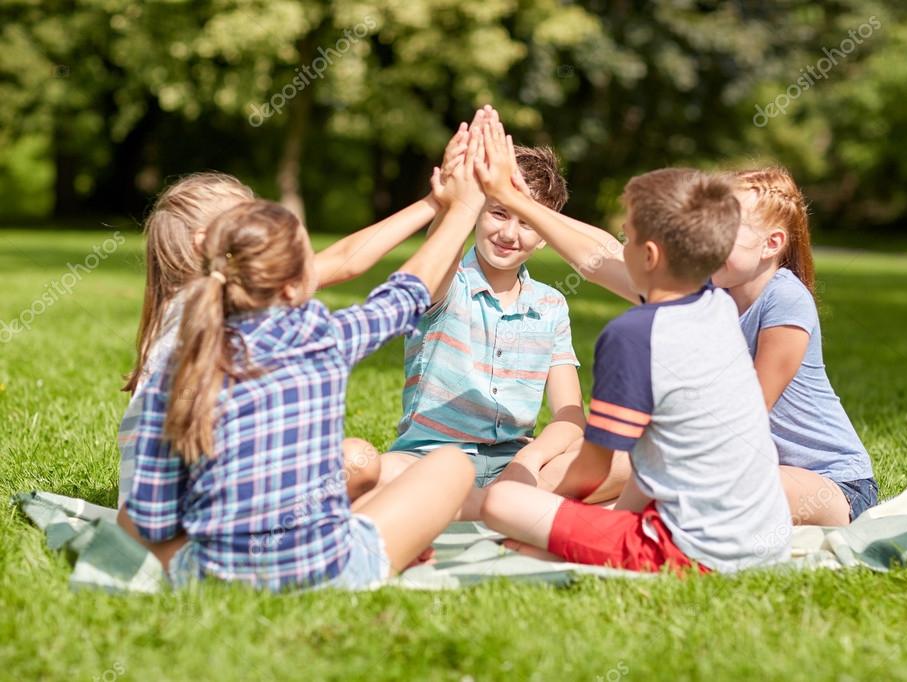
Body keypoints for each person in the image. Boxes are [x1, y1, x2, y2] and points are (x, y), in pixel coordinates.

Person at [117, 138, 487, 590]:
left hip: (207, 560)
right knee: (449, 465)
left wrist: (436, 202)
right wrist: (464, 207)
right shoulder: (319, 339)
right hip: (324, 567)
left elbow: (148, 517)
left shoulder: (189, 342)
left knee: (358, 459)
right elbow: (402, 295)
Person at [475, 124, 792, 573]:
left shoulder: (633, 336)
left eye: (625, 237)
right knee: (569, 514)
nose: (617, 246)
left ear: (648, 256)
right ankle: (578, 539)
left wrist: (535, 499)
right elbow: (593, 256)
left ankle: (576, 540)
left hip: (692, 554)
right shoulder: (714, 303)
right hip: (765, 540)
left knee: (505, 502)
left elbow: (592, 470)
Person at [117, 171, 446, 507]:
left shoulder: (189, 305)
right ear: (205, 243)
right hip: (216, 514)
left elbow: (344, 259)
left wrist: (433, 202)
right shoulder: (228, 310)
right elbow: (360, 277)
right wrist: (451, 206)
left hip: (150, 516)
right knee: (357, 459)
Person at [379, 108, 629, 515]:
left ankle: (482, 506)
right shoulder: (450, 283)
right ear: (476, 212)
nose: (509, 234)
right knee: (378, 472)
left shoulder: (550, 304)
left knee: (627, 460)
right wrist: (457, 193)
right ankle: (500, 509)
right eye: (497, 212)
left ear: (545, 233)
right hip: (429, 462)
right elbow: (435, 254)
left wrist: (525, 464)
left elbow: (569, 417)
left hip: (514, 465)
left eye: (527, 222)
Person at [711, 167, 877, 524]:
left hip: (834, 483)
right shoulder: (712, 297)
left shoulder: (784, 297)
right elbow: (611, 261)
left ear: (771, 243)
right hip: (758, 466)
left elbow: (750, 408)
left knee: (698, 481)